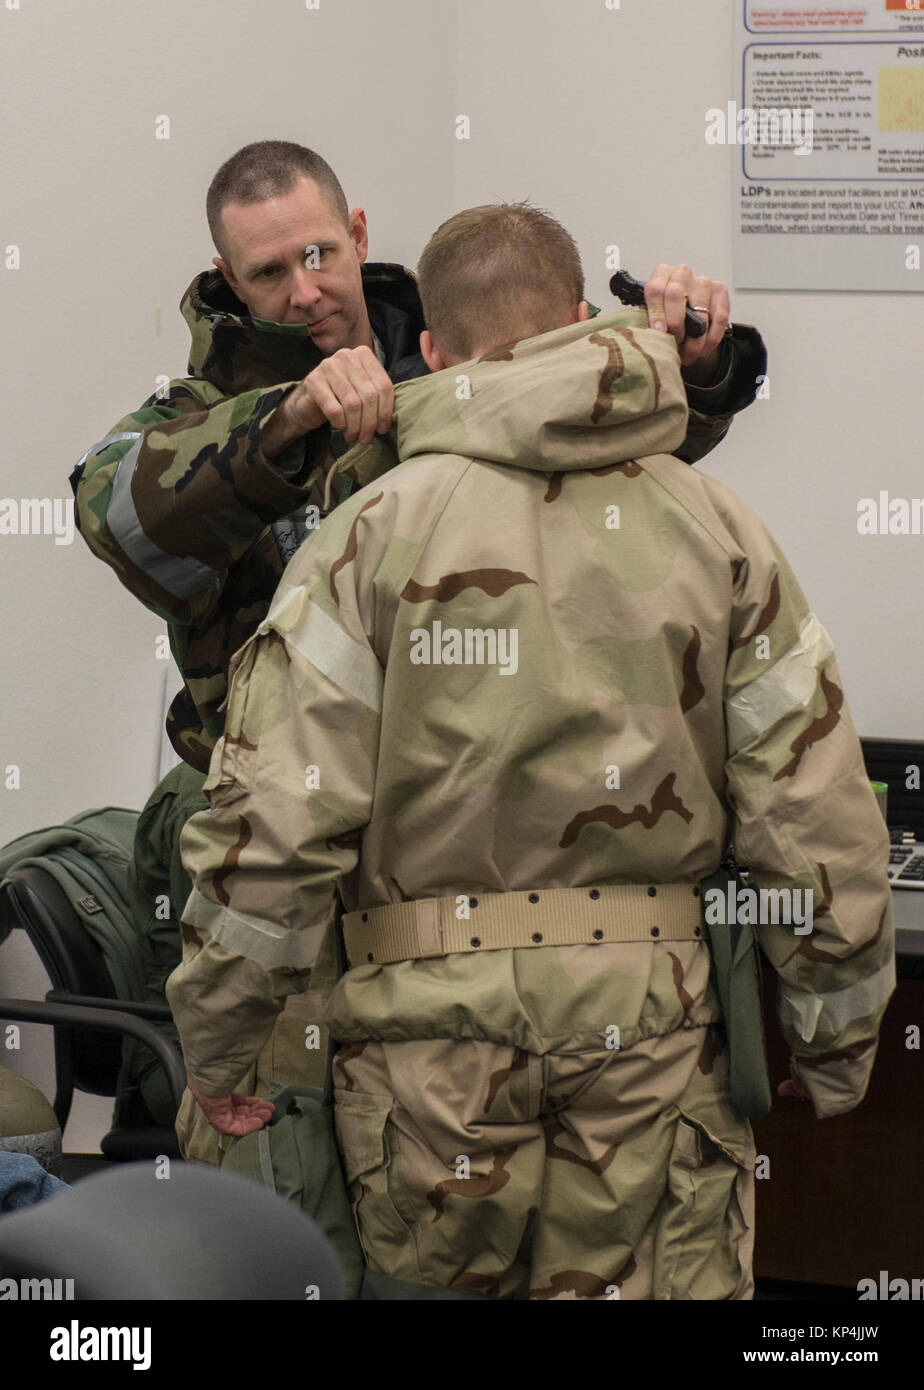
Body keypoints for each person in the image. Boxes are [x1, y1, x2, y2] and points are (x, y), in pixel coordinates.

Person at [165, 201, 894, 1299]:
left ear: (431, 352)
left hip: (431, 1063)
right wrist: (835, 1037)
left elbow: (276, 818)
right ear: (571, 321)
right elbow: (816, 810)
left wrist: (219, 1042)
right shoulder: (718, 527)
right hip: (652, 1037)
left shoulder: (363, 539)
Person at [69, 140, 766, 1162]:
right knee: (294, 1189)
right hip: (290, 871)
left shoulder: (458, 352)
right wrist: (289, 421)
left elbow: (598, 437)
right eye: (268, 273)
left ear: (356, 236)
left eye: (317, 254)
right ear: (229, 280)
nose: (304, 291)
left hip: (472, 875)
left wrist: (701, 364)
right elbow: (119, 513)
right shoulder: (204, 417)